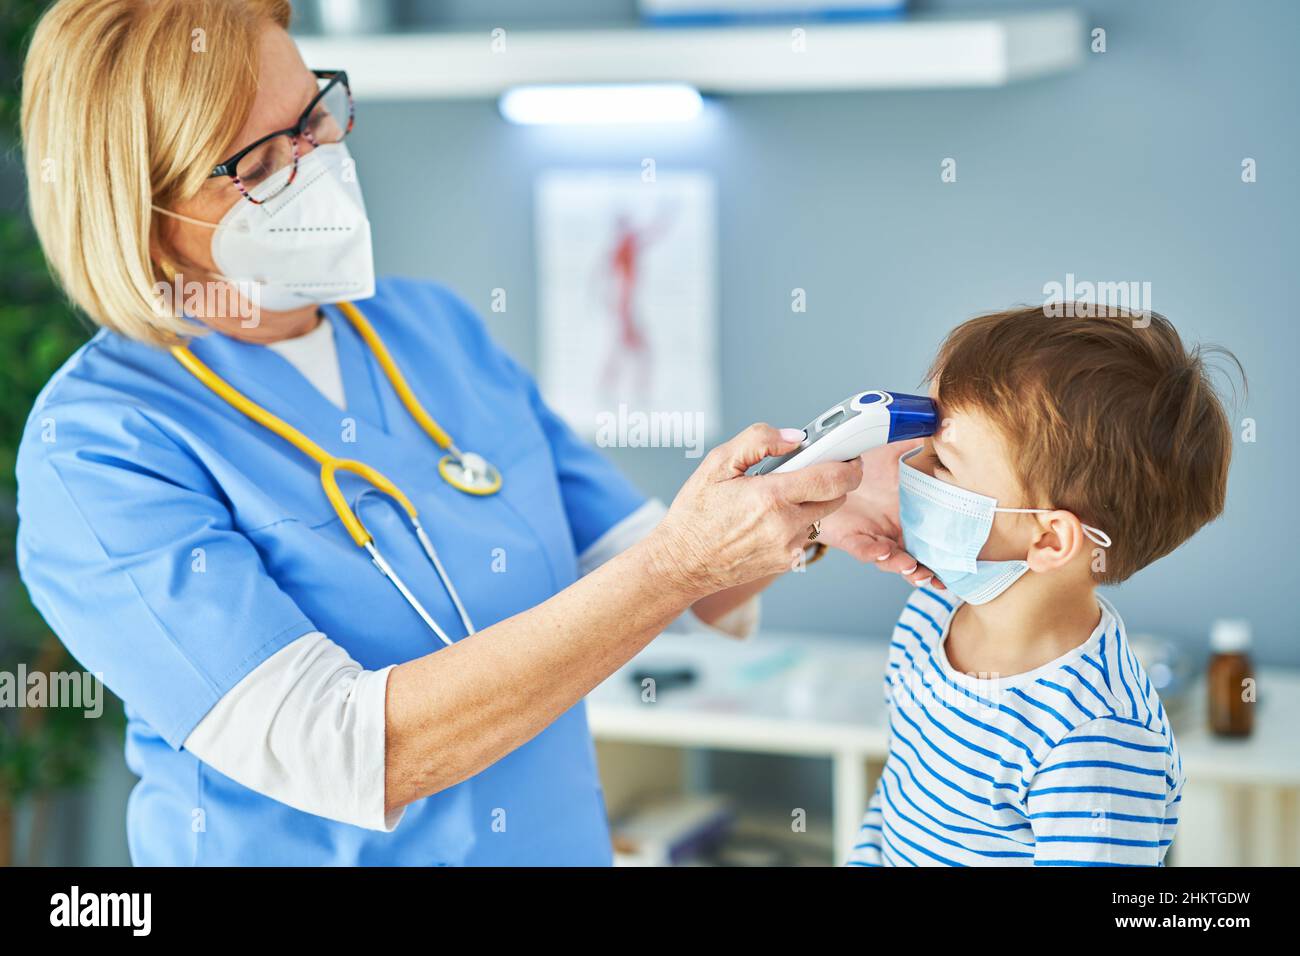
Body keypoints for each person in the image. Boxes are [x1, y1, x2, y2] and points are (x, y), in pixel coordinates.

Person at [15, 0, 929, 865]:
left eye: (316, 115)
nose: (320, 160)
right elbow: (352, 752)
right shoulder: (98, 447)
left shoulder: (429, 331)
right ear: (143, 216)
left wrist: (823, 491)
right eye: (259, 164)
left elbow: (663, 577)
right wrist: (684, 563)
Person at [848, 306, 1240, 866]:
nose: (909, 467)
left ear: (1051, 540)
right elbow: (896, 802)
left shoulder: (1096, 739)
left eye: (943, 462)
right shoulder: (928, 614)